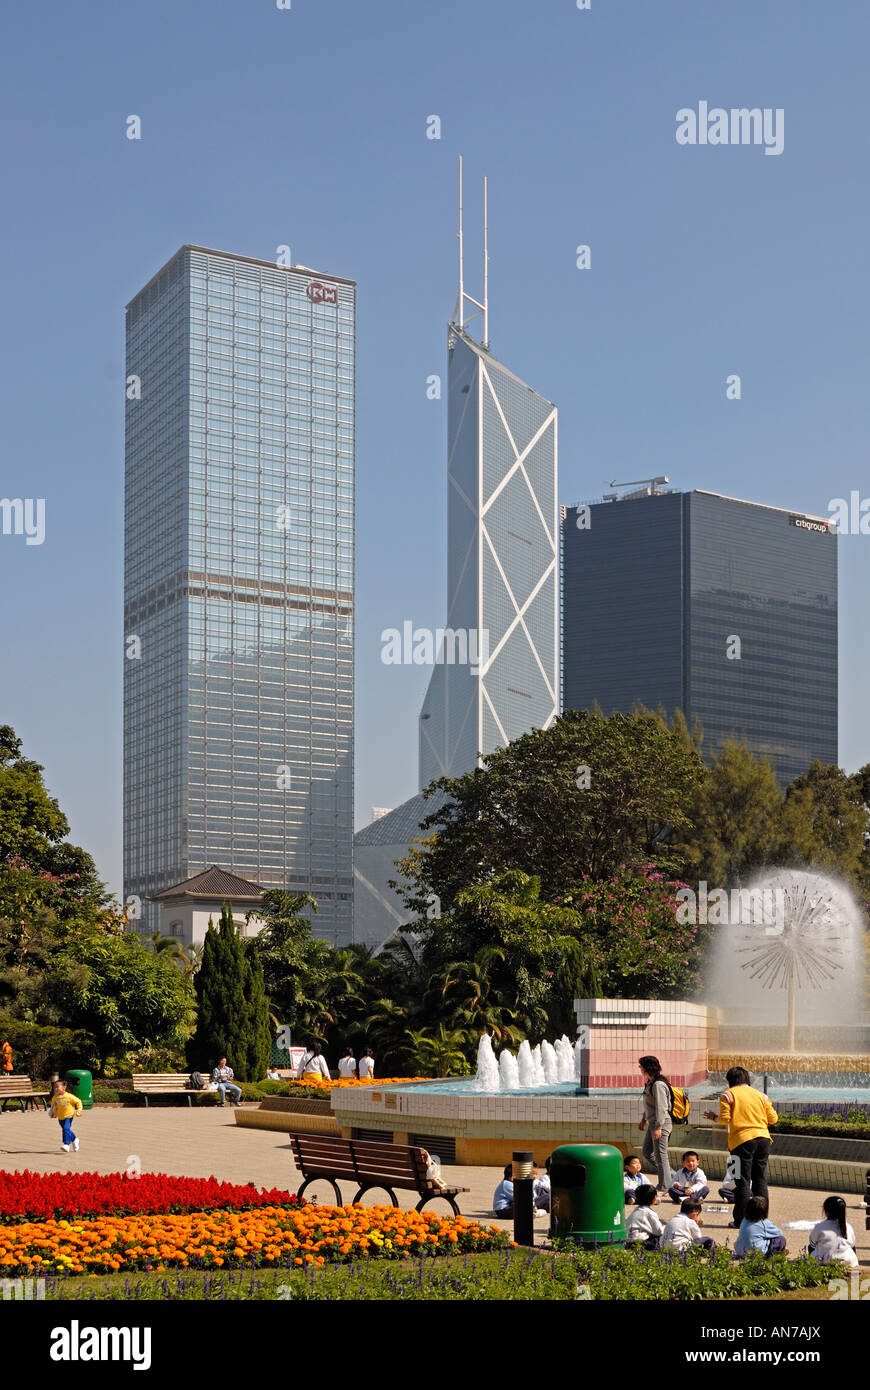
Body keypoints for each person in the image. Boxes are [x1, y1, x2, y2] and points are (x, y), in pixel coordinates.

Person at [704, 1066, 778, 1228]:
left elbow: (725, 1119)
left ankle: (741, 1220)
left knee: (742, 1181)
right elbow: (773, 1119)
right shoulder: (761, 1096)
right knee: (760, 1179)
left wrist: (713, 1117)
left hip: (740, 1143)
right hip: (763, 1140)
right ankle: (762, 1219)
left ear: (730, 1081)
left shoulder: (727, 1095)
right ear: (747, 1079)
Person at [637, 1055, 673, 1193]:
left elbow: (662, 1107)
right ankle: (672, 1176)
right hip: (653, 1123)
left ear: (647, 1068)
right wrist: (643, 1119)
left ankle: (664, 1186)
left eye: (641, 1066)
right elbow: (650, 1105)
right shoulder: (651, 1082)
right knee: (647, 1151)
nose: (640, 1068)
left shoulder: (658, 1084)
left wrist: (658, 1127)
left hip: (661, 1124)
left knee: (660, 1155)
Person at [808, 1195, 859, 1268]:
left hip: (823, 1261)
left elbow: (812, 1245)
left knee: (811, 1247)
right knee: (851, 1247)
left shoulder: (820, 1226)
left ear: (826, 1211)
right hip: (847, 1261)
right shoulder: (848, 1227)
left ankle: (813, 1266)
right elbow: (852, 1245)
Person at [625, 1185, 664, 1249]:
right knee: (660, 1237)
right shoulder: (650, 1213)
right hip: (640, 1244)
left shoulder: (636, 1210)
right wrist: (664, 1227)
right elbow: (659, 1232)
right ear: (654, 1198)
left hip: (628, 1243)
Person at [49, 1079, 82, 1153]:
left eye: (58, 1087)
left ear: (64, 1087)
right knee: (66, 1130)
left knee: (66, 1129)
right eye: (55, 1087)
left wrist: (79, 1110)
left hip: (69, 1115)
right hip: (60, 1116)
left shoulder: (69, 1097)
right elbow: (53, 1106)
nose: (56, 1088)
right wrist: (52, 1113)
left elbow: (78, 1101)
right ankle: (75, 1139)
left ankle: (66, 1144)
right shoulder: (55, 1097)